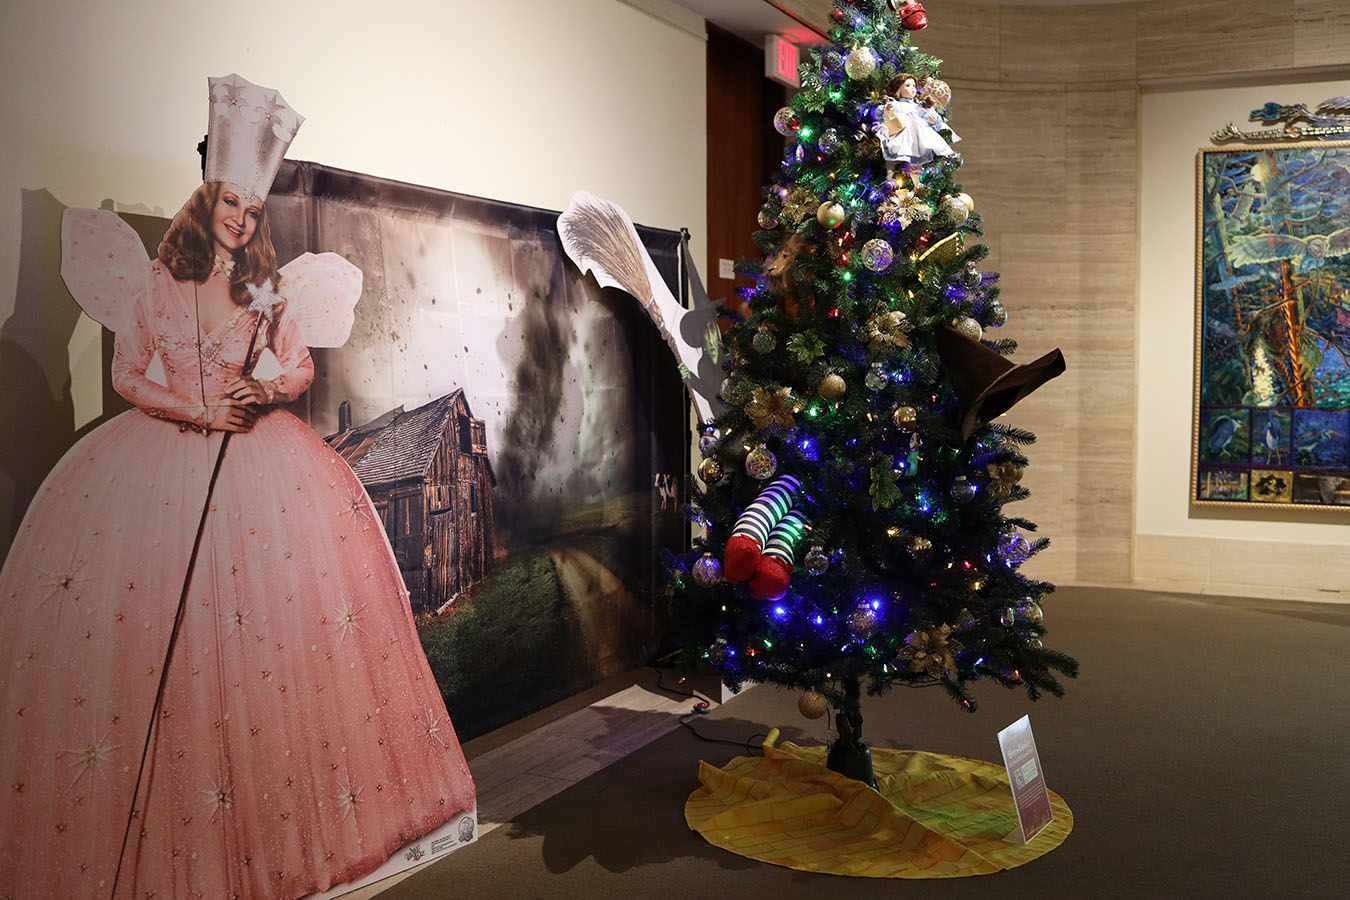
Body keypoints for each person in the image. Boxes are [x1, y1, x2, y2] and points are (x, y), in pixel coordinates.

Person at [0, 74, 475, 900]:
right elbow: (124, 372)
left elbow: (297, 364)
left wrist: (268, 390)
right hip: (154, 465)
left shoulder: (267, 287)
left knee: (264, 637)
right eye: (231, 204)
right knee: (156, 636)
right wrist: (193, 404)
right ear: (206, 194)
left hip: (259, 465)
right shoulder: (158, 280)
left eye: (254, 211)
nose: (242, 220)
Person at [873, 72, 959, 166]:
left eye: (914, 85)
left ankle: (915, 177)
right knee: (895, 149)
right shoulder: (896, 104)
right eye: (908, 85)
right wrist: (887, 109)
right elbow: (880, 114)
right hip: (901, 131)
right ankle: (890, 176)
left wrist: (934, 121)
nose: (913, 88)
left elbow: (929, 116)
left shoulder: (918, 105)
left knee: (919, 150)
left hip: (916, 135)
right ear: (898, 89)